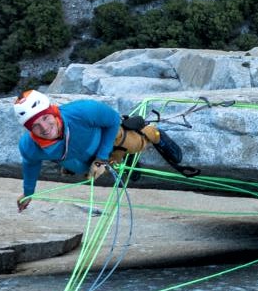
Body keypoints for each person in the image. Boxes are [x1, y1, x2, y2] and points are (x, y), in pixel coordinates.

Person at [12, 91, 195, 212]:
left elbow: (113, 120)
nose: (44, 128)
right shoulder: (29, 146)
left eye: (45, 118)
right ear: (29, 129)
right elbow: (31, 164)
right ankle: (124, 159)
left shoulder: (83, 111)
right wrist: (28, 193)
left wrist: (101, 158)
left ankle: (154, 134)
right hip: (85, 160)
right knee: (92, 171)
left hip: (108, 139)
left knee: (134, 143)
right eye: (35, 125)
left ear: (53, 112)